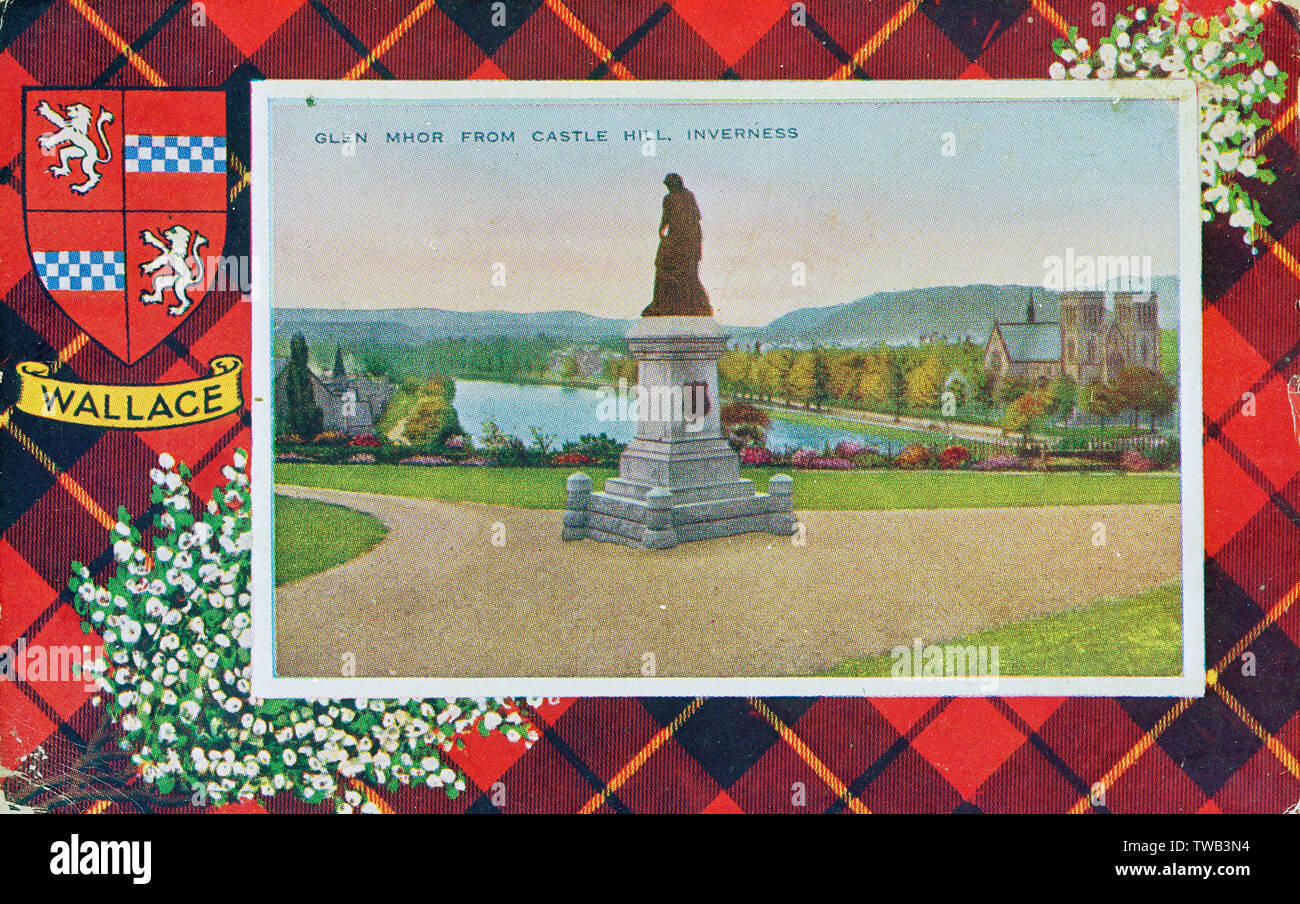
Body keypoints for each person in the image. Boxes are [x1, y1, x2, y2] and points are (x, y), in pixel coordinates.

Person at [642, 173, 713, 317]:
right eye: (668, 185)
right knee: (663, 265)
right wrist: (662, 230)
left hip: (686, 239)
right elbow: (666, 217)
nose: (670, 188)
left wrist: (692, 244)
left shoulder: (686, 196)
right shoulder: (670, 198)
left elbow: (694, 219)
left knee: (685, 272)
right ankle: (662, 302)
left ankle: (690, 304)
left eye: (671, 185)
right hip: (676, 237)